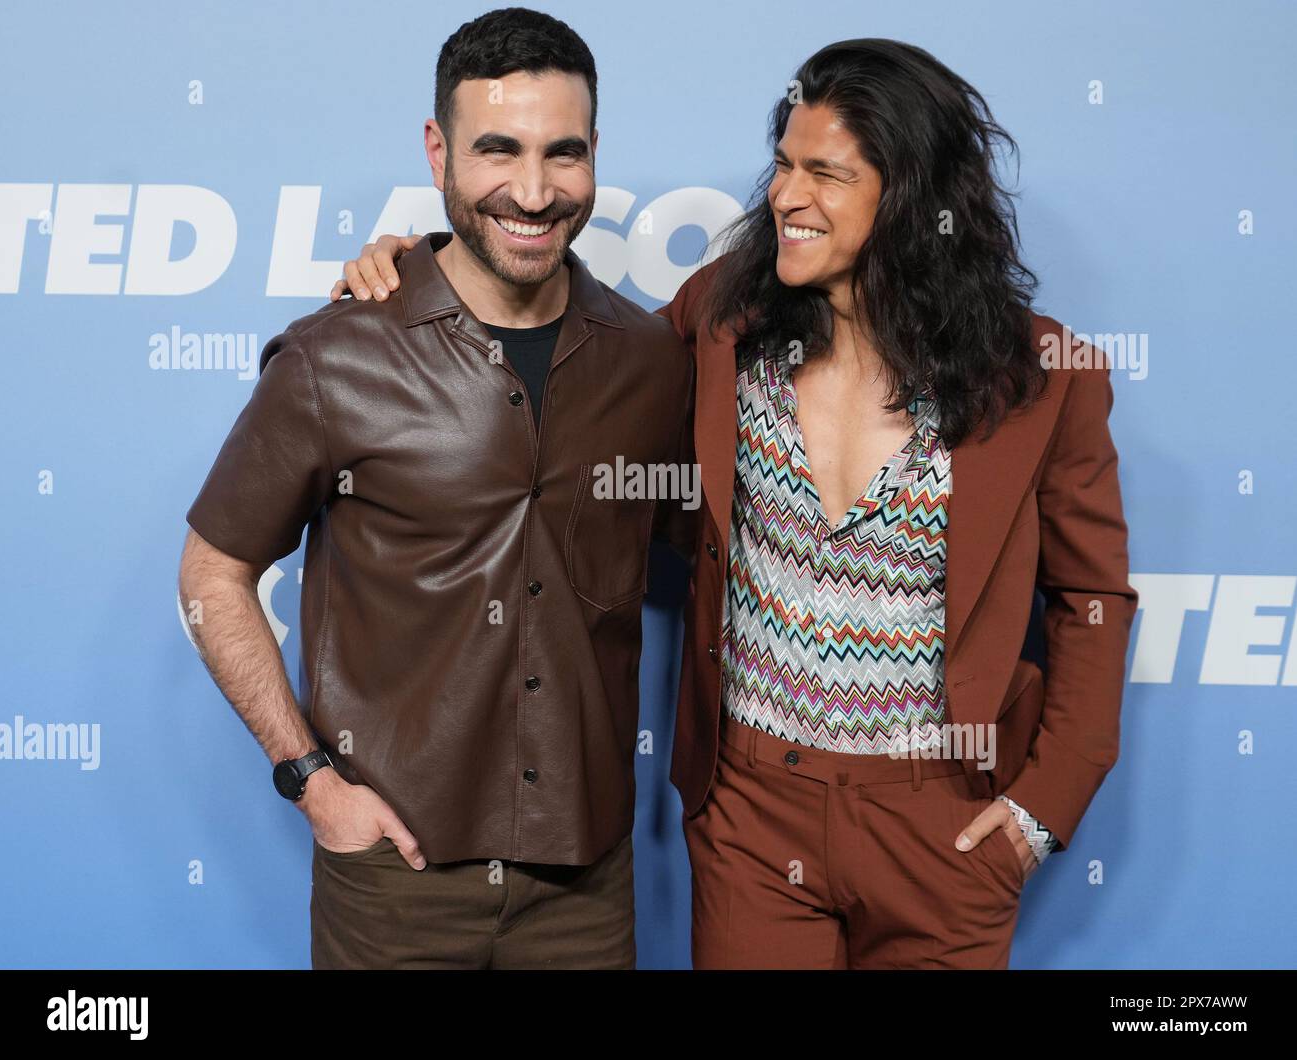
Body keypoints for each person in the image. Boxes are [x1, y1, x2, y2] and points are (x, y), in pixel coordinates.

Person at [335, 38, 1137, 969]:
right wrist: (419, 264)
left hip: (944, 823)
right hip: (754, 816)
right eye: (785, 166)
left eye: (826, 174)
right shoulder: (723, 318)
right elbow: (558, 324)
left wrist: (1039, 814)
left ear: (915, 196)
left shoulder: (1038, 375)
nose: (787, 197)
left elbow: (1094, 600)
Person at [177, 7, 693, 970]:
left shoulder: (655, 361)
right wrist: (312, 782)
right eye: (497, 149)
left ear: (594, 156)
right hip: (392, 881)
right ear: (438, 152)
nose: (533, 191)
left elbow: (706, 554)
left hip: (587, 886)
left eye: (563, 153)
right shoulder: (336, 357)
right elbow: (213, 574)